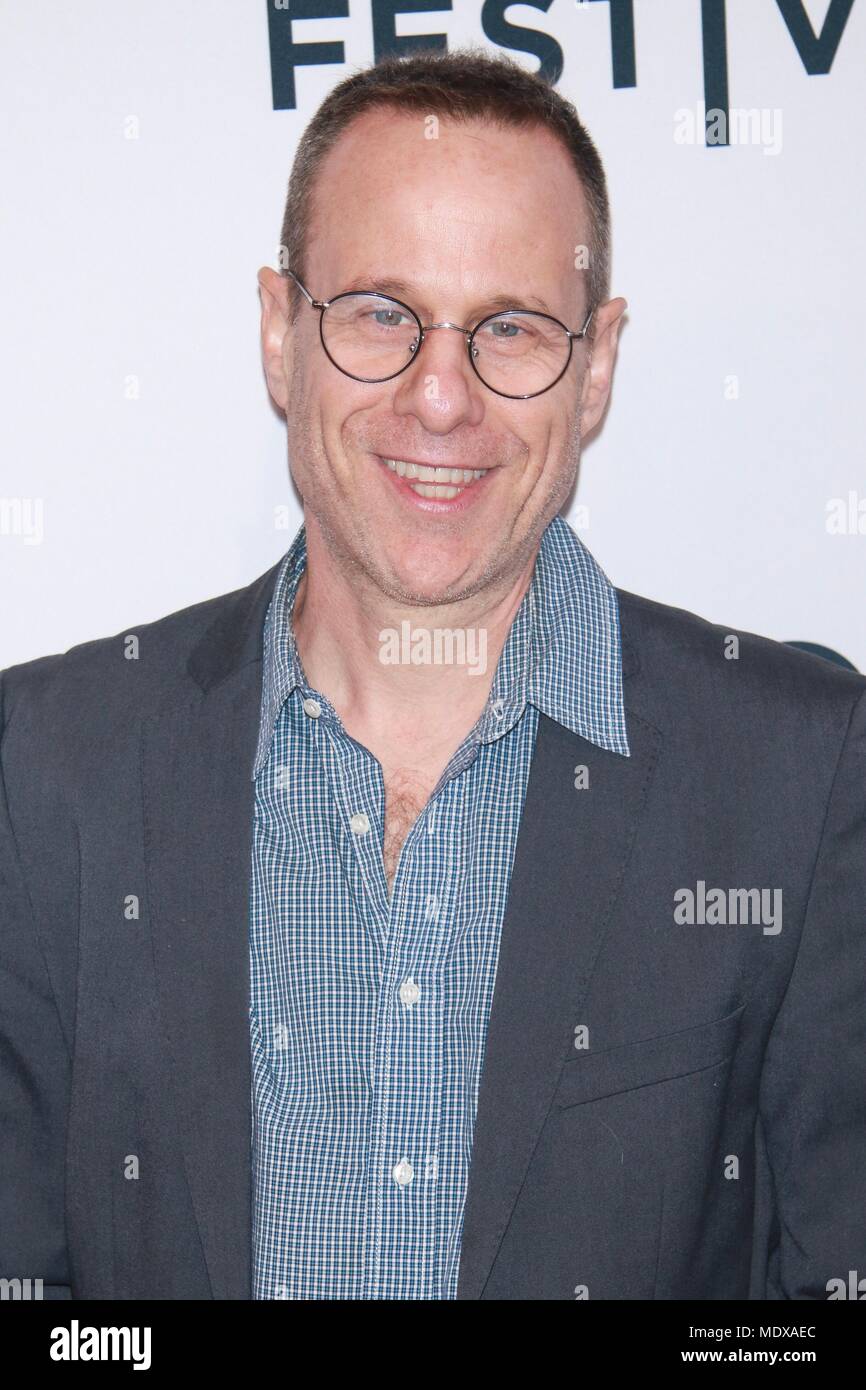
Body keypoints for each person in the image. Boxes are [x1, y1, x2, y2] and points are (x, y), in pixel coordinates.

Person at [1, 48, 864, 1302]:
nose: (441, 397)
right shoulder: (47, 772)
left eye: (509, 328)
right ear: (279, 333)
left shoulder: (801, 776)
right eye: (379, 316)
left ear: (597, 365)